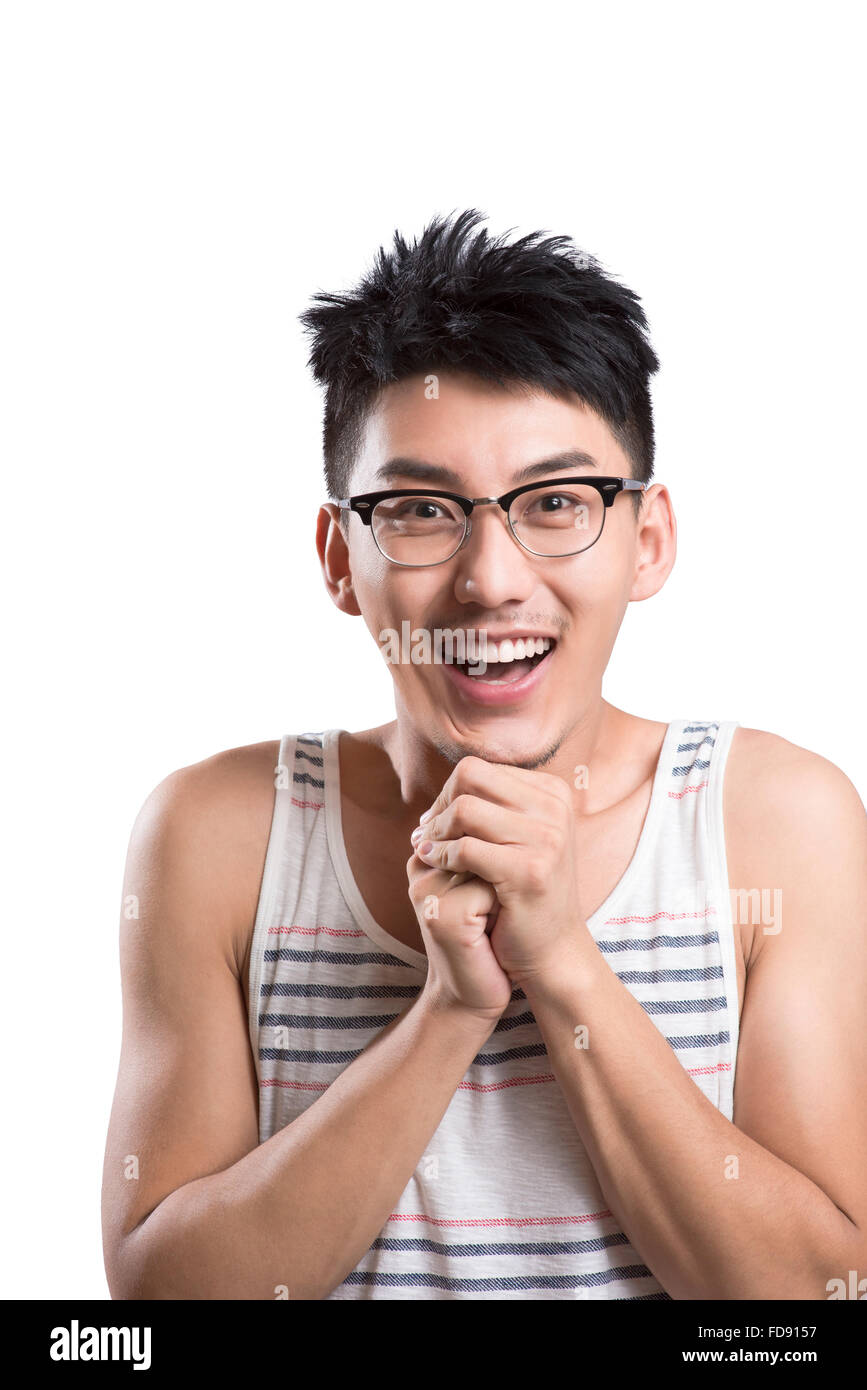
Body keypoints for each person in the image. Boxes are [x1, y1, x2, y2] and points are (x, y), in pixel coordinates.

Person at [101, 209, 867, 1300]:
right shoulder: (218, 834)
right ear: (338, 556)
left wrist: (560, 963)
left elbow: (817, 1299)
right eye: (420, 510)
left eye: (557, 502)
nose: (493, 579)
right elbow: (161, 1303)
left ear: (646, 541)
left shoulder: (775, 823)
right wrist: (449, 1011)